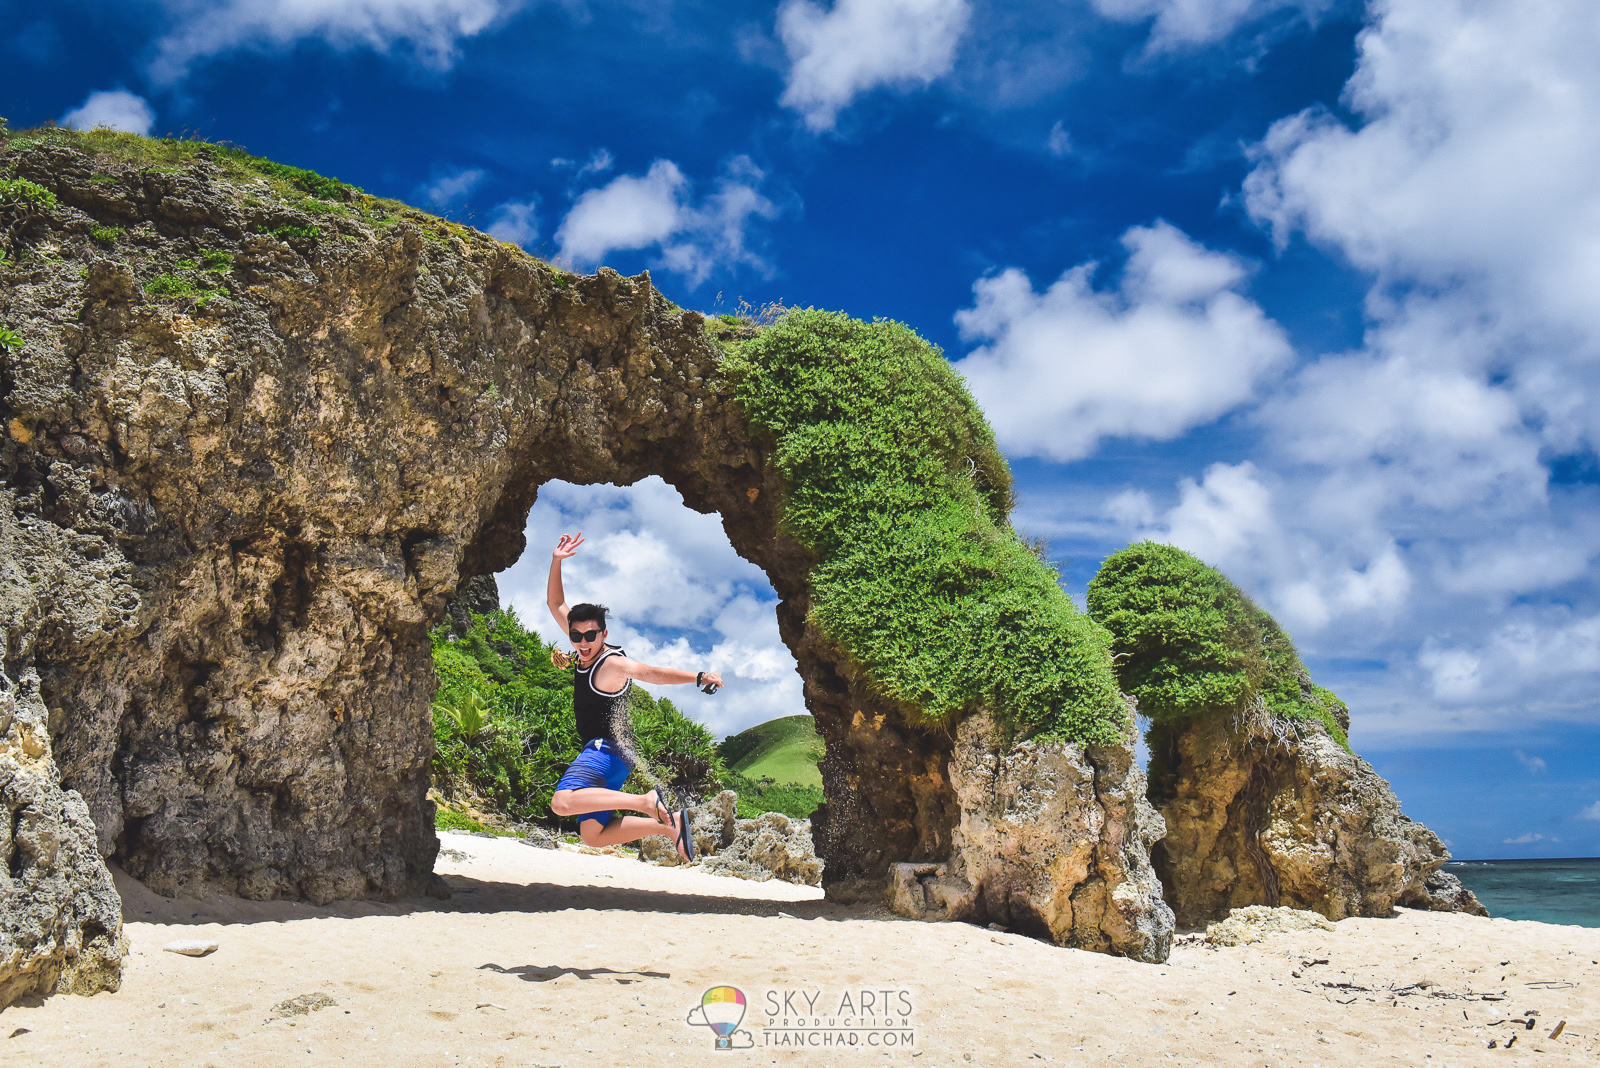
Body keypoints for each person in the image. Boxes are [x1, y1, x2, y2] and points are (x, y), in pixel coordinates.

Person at [545, 532, 723, 861]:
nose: (583, 642)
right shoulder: (582, 652)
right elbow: (556, 604)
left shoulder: (612, 664)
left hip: (604, 751)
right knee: (593, 835)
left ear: (604, 634)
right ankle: (669, 826)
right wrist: (556, 561)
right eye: (576, 635)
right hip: (618, 758)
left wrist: (698, 676)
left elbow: (652, 673)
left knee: (562, 802)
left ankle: (647, 802)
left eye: (590, 635)